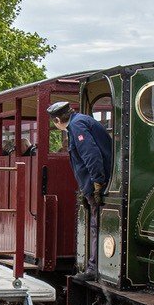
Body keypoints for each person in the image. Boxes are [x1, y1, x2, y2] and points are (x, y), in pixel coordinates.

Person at [47, 101, 112, 281]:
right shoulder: (82, 121)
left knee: (95, 225)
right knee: (95, 224)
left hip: (97, 183)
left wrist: (97, 183)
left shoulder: (76, 126)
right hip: (94, 182)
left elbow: (91, 155)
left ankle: (93, 268)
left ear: (58, 119)